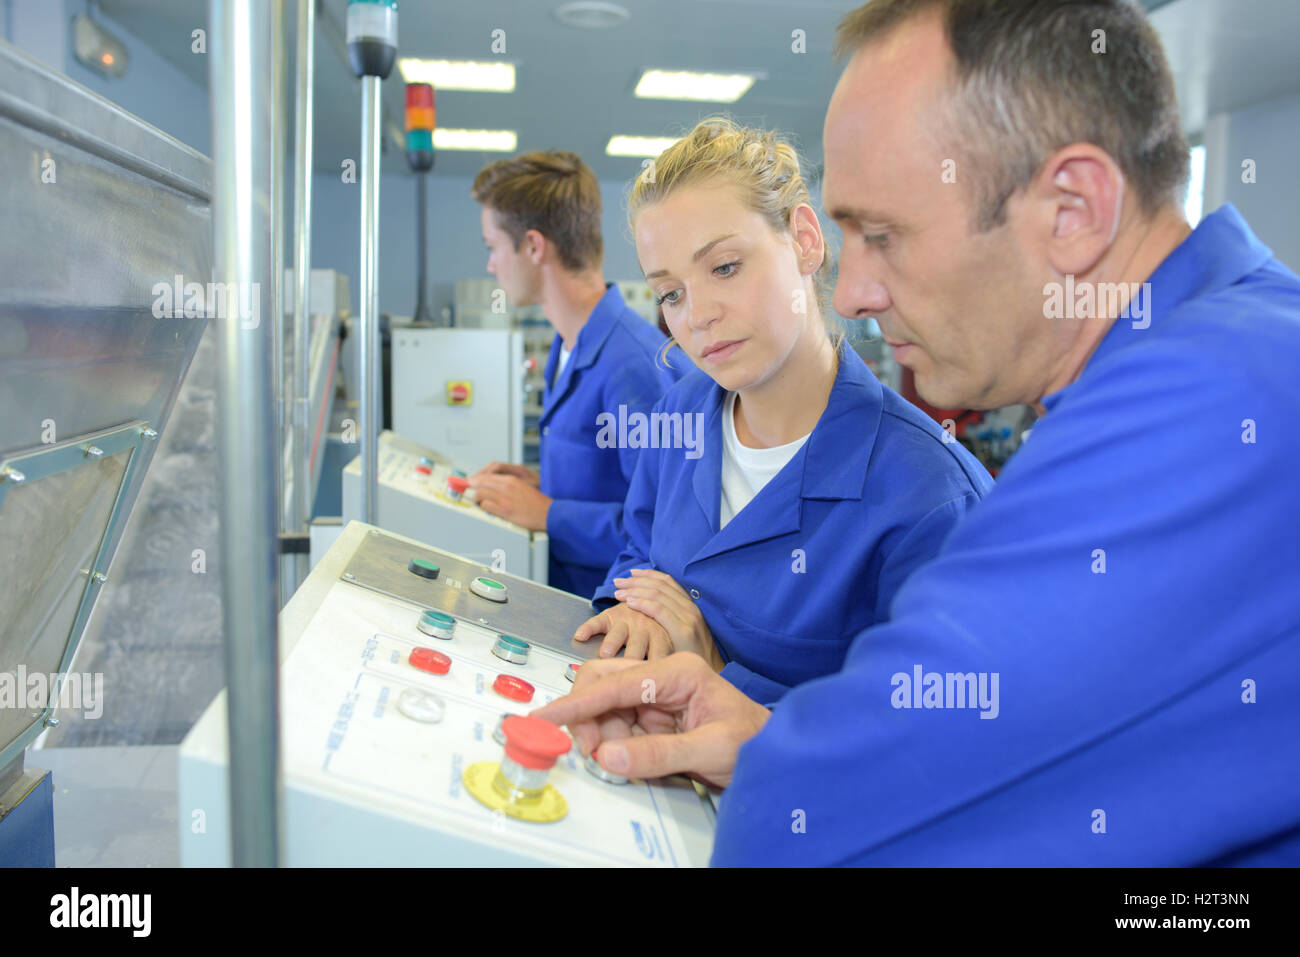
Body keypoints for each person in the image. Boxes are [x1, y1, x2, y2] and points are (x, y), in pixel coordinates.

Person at [536, 0, 1300, 865]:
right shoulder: (1217, 352)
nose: (854, 291)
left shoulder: (1202, 411)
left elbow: (875, 818)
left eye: (885, 234)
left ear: (1073, 209)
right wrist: (767, 738)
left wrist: (783, 760)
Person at [570, 118, 992, 705]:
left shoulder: (933, 499)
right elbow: (638, 552)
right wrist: (633, 612)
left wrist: (717, 673)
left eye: (723, 267)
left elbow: (935, 742)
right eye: (671, 293)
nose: (697, 315)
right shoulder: (682, 413)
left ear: (804, 240)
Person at [467, 150, 681, 598]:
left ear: (533, 246)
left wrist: (546, 512)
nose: (490, 263)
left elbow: (665, 532)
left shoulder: (633, 366)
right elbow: (612, 483)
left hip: (608, 621)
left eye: (492, 246)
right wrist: (544, 487)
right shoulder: (569, 347)